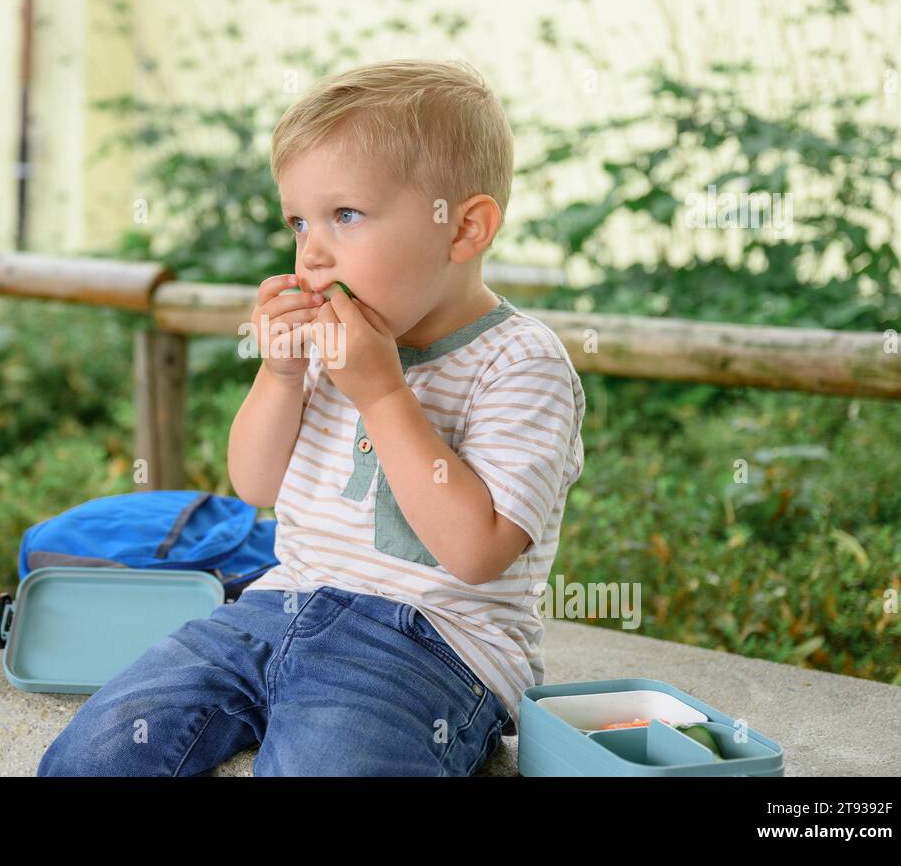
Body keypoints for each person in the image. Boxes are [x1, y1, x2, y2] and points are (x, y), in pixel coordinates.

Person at [38, 58, 586, 776]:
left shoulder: (521, 363)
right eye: (299, 222)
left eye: (346, 216)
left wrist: (385, 397)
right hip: (275, 606)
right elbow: (254, 484)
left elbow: (477, 551)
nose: (313, 252)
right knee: (98, 747)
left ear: (464, 229)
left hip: (432, 647)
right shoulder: (339, 342)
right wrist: (280, 370)